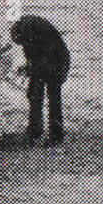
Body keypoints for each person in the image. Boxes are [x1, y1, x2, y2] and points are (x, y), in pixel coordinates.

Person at [9, 15, 70, 145]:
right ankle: (35, 130)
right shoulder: (28, 31)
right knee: (34, 94)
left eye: (21, 42)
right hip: (48, 59)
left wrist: (31, 69)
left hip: (57, 61)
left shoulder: (34, 32)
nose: (22, 45)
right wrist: (28, 67)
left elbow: (44, 57)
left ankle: (56, 136)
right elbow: (33, 56)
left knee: (53, 98)